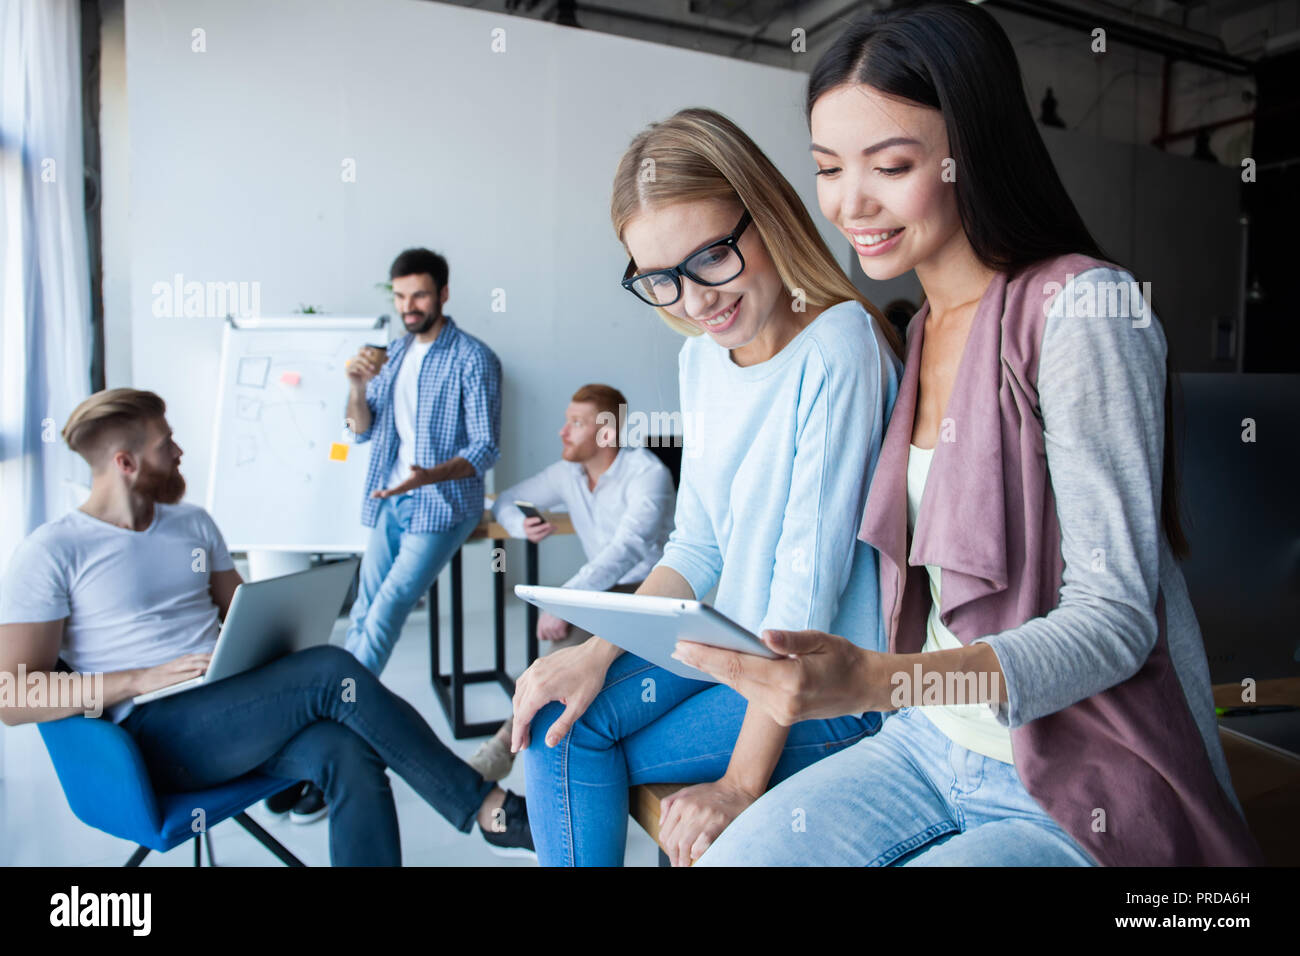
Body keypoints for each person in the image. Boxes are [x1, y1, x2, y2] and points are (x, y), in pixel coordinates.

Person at [683, 0, 1262, 867]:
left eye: (891, 165)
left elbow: (1115, 622)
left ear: (971, 151)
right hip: (924, 743)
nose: (850, 202)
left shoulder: (1083, 310)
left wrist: (878, 680)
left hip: (1074, 775)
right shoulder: (921, 328)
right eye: (829, 168)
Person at [511, 107, 904, 866]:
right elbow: (696, 546)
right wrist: (595, 652)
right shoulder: (700, 358)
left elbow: (803, 596)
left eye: (712, 257)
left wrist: (737, 785)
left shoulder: (838, 345)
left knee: (570, 747)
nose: (695, 303)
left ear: (768, 215)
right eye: (660, 280)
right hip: (734, 650)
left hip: (829, 686)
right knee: (558, 719)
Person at [0, 389, 532, 864]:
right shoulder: (54, 551)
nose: (180, 452)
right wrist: (138, 679)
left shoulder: (193, 523)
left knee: (345, 750)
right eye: (167, 444)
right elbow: (13, 695)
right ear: (126, 462)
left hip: (232, 709)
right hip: (154, 737)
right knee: (330, 671)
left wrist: (281, 629)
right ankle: (489, 809)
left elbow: (243, 614)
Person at [278, 248, 501, 821]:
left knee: (384, 612)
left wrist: (430, 475)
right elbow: (359, 429)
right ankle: (332, 732)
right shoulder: (393, 354)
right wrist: (356, 385)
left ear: (443, 293)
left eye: (419, 295)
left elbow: (484, 447)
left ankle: (328, 732)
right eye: (400, 297)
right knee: (364, 611)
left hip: (442, 504)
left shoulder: (474, 358)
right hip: (390, 501)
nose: (409, 306)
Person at [468, 383, 676, 780]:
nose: (562, 432)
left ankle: (507, 748)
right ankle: (516, 748)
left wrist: (563, 601)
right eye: (567, 421)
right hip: (602, 590)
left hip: (653, 590)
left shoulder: (647, 474)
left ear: (607, 433)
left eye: (576, 423)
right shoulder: (568, 473)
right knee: (559, 656)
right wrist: (520, 526)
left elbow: (626, 550)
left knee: (561, 654)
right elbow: (506, 500)